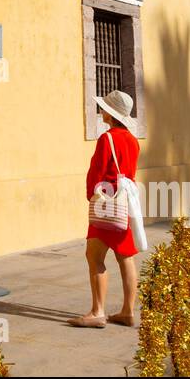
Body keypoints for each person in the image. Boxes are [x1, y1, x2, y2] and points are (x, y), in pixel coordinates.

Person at [69, 89, 140, 329]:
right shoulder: (133, 140)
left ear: (110, 113)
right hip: (124, 205)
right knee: (126, 258)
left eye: (104, 108)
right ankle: (128, 312)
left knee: (94, 257)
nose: (101, 111)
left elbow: (97, 172)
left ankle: (97, 311)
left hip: (106, 205)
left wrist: (92, 196)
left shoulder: (107, 139)